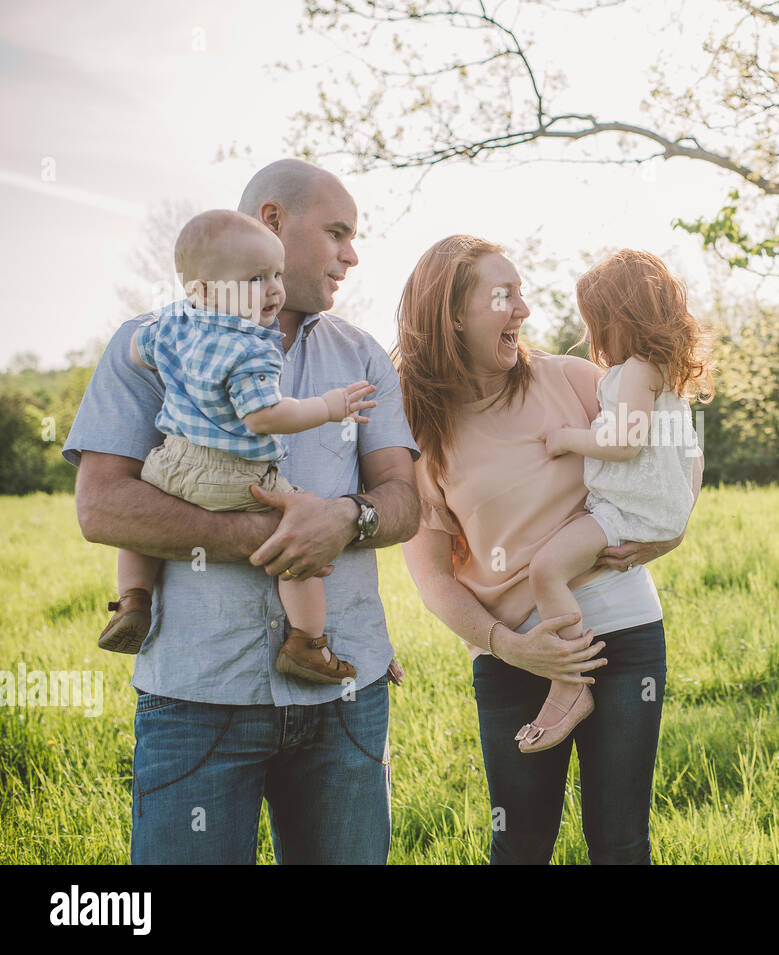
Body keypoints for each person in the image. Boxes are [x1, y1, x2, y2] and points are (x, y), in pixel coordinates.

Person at [63, 159, 420, 864]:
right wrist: (271, 535)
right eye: (338, 232)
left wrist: (346, 518)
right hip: (197, 699)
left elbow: (405, 500)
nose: (353, 254)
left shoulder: (364, 358)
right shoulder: (148, 344)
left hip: (345, 705)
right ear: (272, 223)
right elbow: (103, 505)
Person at [395, 235, 705, 864]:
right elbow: (432, 575)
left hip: (622, 635)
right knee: (519, 843)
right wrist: (509, 646)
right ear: (450, 315)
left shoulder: (572, 378)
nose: (525, 312)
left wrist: (671, 529)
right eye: (504, 296)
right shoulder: (423, 431)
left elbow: (677, 441)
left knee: (620, 842)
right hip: (515, 657)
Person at [98, 208, 377, 684]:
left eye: (276, 275)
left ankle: (133, 599)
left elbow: (135, 351)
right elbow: (264, 415)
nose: (273, 290)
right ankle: (308, 643)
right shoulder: (252, 348)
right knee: (298, 542)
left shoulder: (171, 325)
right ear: (205, 290)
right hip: (237, 477)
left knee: (137, 533)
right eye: (254, 279)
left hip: (170, 464)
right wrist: (328, 407)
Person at [519, 249, 714, 752]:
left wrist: (567, 438)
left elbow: (624, 444)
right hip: (654, 511)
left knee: (545, 570)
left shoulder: (635, 372)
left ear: (618, 319)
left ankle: (571, 682)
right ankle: (573, 678)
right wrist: (676, 520)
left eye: (596, 324)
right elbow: (690, 455)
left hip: (625, 511)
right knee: (551, 567)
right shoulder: (664, 376)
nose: (592, 338)